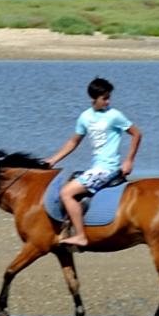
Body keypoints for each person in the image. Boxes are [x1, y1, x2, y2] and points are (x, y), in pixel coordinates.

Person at [46, 76, 142, 248]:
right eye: (104, 98)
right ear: (93, 99)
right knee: (72, 181)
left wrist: (129, 161)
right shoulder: (84, 117)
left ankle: (81, 236)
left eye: (108, 98)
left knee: (66, 193)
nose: (108, 101)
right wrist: (53, 159)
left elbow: (136, 133)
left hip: (108, 169)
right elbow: (73, 141)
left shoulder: (114, 115)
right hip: (96, 167)